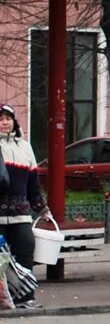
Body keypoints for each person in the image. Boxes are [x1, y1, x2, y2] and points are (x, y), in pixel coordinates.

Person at [0, 103, 46, 309]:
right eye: (0, 119)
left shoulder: (25, 146)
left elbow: (33, 183)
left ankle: (25, 297)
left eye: (8, 119)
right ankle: (4, 299)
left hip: (20, 212)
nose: (4, 123)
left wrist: (41, 208)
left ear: (14, 122)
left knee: (25, 249)